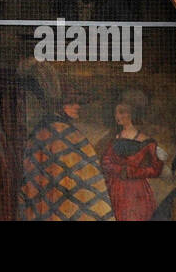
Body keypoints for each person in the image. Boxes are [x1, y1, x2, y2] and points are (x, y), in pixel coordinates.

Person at [19, 91, 114, 221]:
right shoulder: (66, 133)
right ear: (58, 105)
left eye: (78, 102)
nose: (77, 107)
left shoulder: (39, 131)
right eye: (71, 102)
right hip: (63, 202)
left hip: (50, 204)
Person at [99, 96, 166, 221]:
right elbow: (105, 162)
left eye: (122, 112)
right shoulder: (114, 139)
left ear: (132, 114)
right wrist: (121, 170)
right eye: (116, 112)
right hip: (114, 190)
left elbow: (156, 170)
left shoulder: (147, 142)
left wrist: (132, 172)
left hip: (135, 192)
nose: (117, 116)